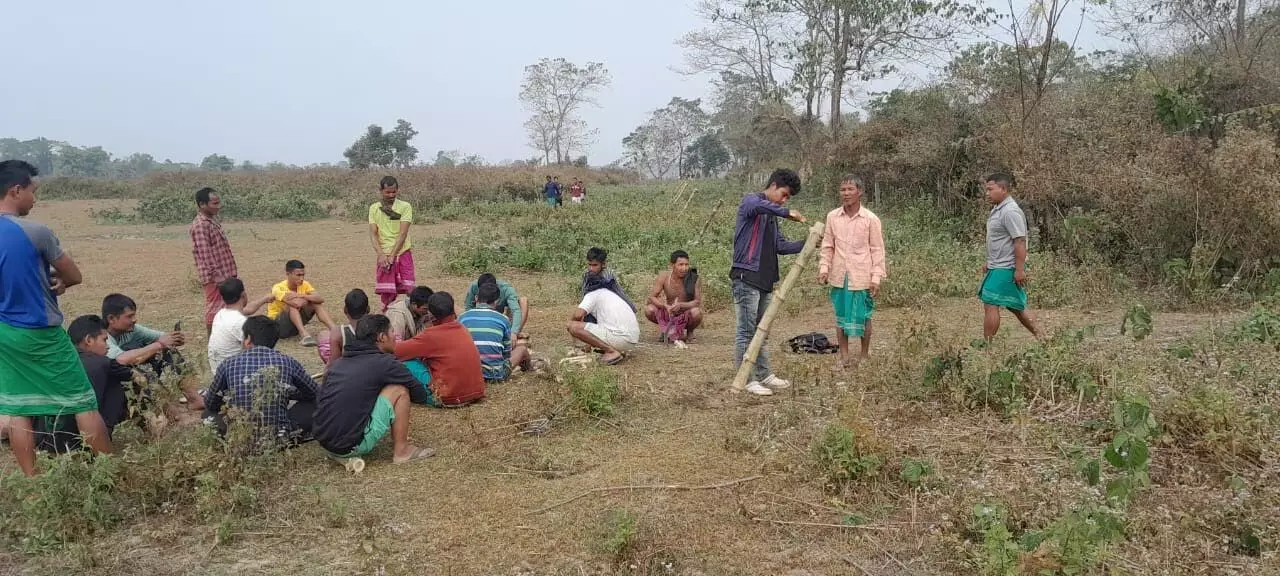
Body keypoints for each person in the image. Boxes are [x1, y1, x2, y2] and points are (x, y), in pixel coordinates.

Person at [0, 160, 113, 476]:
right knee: (82, 402)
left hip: (4, 333)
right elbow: (73, 275)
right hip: (40, 331)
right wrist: (60, 282)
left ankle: (32, 480)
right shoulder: (36, 232)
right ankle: (109, 472)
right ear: (16, 190)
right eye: (33, 192)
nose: (34, 199)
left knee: (17, 407)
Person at [315, 314, 436, 465]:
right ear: (382, 337)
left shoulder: (339, 364)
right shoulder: (386, 363)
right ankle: (402, 451)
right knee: (399, 390)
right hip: (348, 446)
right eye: (392, 332)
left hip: (325, 442)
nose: (395, 337)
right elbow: (420, 394)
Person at [731, 168, 807, 396]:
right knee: (746, 331)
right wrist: (786, 212)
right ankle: (746, 378)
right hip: (747, 276)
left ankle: (764, 374)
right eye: (783, 194)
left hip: (765, 279)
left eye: (787, 199)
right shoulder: (751, 202)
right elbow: (759, 205)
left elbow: (781, 246)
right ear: (773, 186)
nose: (784, 200)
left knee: (761, 331)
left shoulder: (772, 216)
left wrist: (809, 241)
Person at [203, 316, 319, 451]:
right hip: (279, 439)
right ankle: (289, 433)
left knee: (207, 414)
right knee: (317, 405)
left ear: (248, 339)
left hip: (240, 436)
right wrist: (286, 391)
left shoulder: (228, 364)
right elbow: (314, 392)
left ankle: (234, 437)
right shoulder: (287, 361)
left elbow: (211, 403)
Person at [31, 315, 136, 453]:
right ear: (88, 340)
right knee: (119, 383)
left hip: (43, 442)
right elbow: (137, 378)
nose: (108, 346)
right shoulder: (102, 363)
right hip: (76, 443)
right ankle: (101, 442)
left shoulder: (52, 362)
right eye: (104, 340)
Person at [818, 175, 887, 370]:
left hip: (862, 275)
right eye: (843, 190)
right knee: (840, 317)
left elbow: (877, 249)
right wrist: (824, 268)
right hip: (840, 276)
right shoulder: (833, 217)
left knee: (864, 316)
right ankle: (844, 357)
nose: (846, 193)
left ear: (860, 192)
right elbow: (827, 245)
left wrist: (876, 278)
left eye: (850, 189)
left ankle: (864, 356)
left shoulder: (870, 219)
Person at [101, 292, 204, 409]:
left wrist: (174, 339)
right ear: (111, 319)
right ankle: (167, 411)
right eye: (129, 316)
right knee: (139, 368)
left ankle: (194, 399)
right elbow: (121, 360)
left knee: (168, 352)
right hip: (109, 387)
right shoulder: (101, 337)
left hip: (126, 378)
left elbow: (161, 337)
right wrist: (159, 345)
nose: (135, 320)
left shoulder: (131, 329)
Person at [394, 292, 487, 407]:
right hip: (476, 392)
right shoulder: (462, 328)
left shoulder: (431, 335)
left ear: (431, 315)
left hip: (447, 397)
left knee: (407, 363)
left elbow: (397, 352)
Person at [980, 173, 1043, 341]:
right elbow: (1000, 241)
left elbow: (1020, 241)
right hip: (999, 266)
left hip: (1006, 267)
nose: (987, 193)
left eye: (990, 189)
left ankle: (987, 347)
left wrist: (1020, 270)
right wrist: (990, 262)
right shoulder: (998, 209)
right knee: (1016, 306)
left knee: (990, 302)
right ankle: (1043, 337)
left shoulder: (1010, 211)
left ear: (1003, 189)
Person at [459, 281, 530, 382]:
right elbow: (506, 354)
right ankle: (529, 370)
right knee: (522, 349)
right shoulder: (503, 319)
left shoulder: (462, 318)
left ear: (476, 298)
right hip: (495, 374)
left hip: (468, 373)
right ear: (496, 301)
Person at [190, 187, 237, 334]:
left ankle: (224, 335)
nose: (218, 206)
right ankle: (212, 341)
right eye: (214, 203)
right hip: (215, 276)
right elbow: (206, 254)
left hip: (225, 271)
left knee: (228, 304)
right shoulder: (200, 225)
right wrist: (218, 276)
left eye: (218, 202)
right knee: (214, 307)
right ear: (202, 204)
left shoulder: (211, 220)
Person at [569, 274, 641, 365]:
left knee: (572, 326)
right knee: (590, 321)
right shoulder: (609, 293)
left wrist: (574, 335)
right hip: (631, 340)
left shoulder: (592, 295)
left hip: (621, 338)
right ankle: (612, 349)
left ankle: (611, 352)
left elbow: (577, 315)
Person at [368, 176, 416, 311]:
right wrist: (381, 255)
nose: (391, 195)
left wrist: (392, 255)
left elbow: (403, 234)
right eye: (387, 192)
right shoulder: (374, 208)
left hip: (402, 252)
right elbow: (373, 233)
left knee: (409, 288)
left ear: (397, 190)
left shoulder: (405, 206)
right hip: (384, 255)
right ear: (380, 190)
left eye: (394, 192)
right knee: (387, 294)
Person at [207, 278, 273, 375]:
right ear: (243, 295)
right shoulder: (241, 322)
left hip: (218, 370)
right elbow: (258, 351)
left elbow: (248, 310)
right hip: (232, 373)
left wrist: (265, 299)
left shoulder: (220, 314)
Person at [265, 259, 337, 347]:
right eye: (298, 275)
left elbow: (320, 299)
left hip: (293, 326)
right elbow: (296, 304)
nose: (302, 278)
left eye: (303, 275)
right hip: (277, 327)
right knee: (292, 305)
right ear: (288, 274)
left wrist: (301, 296)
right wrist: (307, 299)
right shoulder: (277, 288)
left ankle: (334, 329)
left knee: (316, 303)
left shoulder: (305, 284)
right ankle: (304, 335)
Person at [644, 250, 704, 346]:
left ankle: (689, 332)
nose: (684, 268)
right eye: (680, 265)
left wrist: (681, 305)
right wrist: (665, 306)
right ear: (672, 265)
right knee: (649, 309)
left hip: (685, 312)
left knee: (697, 312)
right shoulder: (664, 277)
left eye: (686, 265)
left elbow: (697, 302)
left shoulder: (693, 278)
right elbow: (652, 297)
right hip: (669, 312)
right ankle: (667, 329)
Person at [463, 273, 528, 337]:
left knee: (523, 301)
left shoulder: (507, 289)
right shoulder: (474, 286)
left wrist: (514, 332)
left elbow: (516, 310)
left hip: (498, 314)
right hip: (479, 315)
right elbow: (468, 306)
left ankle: (514, 333)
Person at [319, 289, 370, 365]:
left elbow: (334, 362)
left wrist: (327, 372)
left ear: (345, 310)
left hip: (347, 369)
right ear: (368, 309)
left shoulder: (338, 332)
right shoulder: (378, 327)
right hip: (373, 367)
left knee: (322, 335)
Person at [581, 247, 637, 317]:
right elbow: (584, 294)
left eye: (595, 265)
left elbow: (614, 291)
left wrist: (631, 308)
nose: (591, 268)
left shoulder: (607, 273)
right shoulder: (587, 274)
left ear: (603, 264)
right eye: (590, 264)